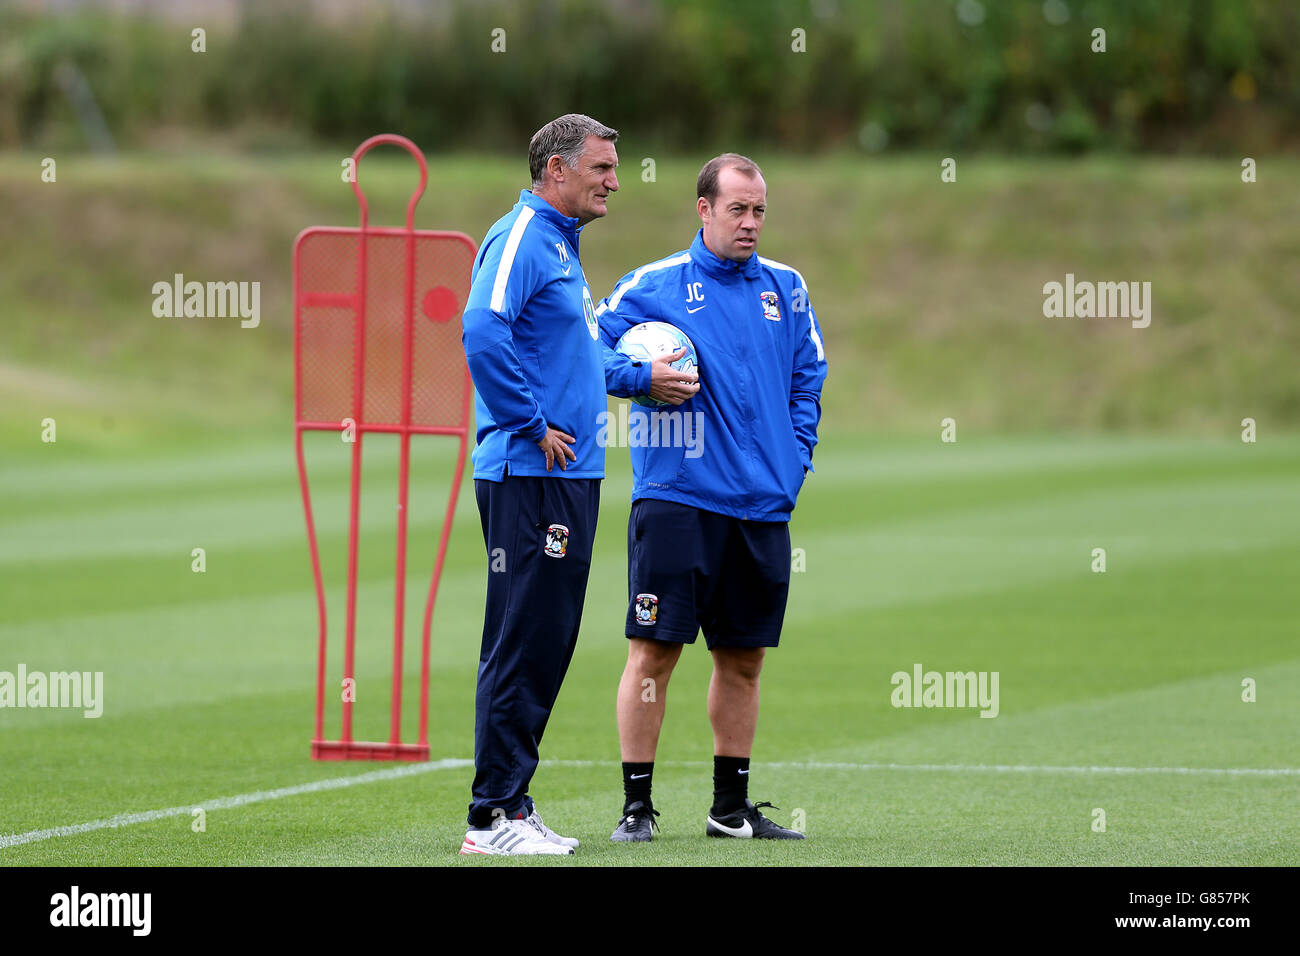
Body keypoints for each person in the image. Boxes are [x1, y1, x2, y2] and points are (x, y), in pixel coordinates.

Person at [457, 114, 692, 856]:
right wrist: (529, 423)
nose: (615, 181)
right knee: (522, 638)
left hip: (568, 474)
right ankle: (491, 818)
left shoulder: (560, 246)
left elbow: (583, 353)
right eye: (602, 169)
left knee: (546, 640)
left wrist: (638, 378)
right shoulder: (521, 238)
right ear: (556, 171)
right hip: (530, 472)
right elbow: (480, 330)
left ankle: (513, 804)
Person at [598, 153, 828, 841]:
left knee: (744, 658)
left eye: (760, 210)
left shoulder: (786, 289)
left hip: (761, 507)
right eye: (738, 209)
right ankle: (636, 808)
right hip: (678, 499)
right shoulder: (653, 285)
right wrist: (639, 377)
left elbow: (807, 377)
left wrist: (793, 462)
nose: (751, 222)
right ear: (704, 209)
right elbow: (584, 350)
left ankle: (730, 810)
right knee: (653, 652)